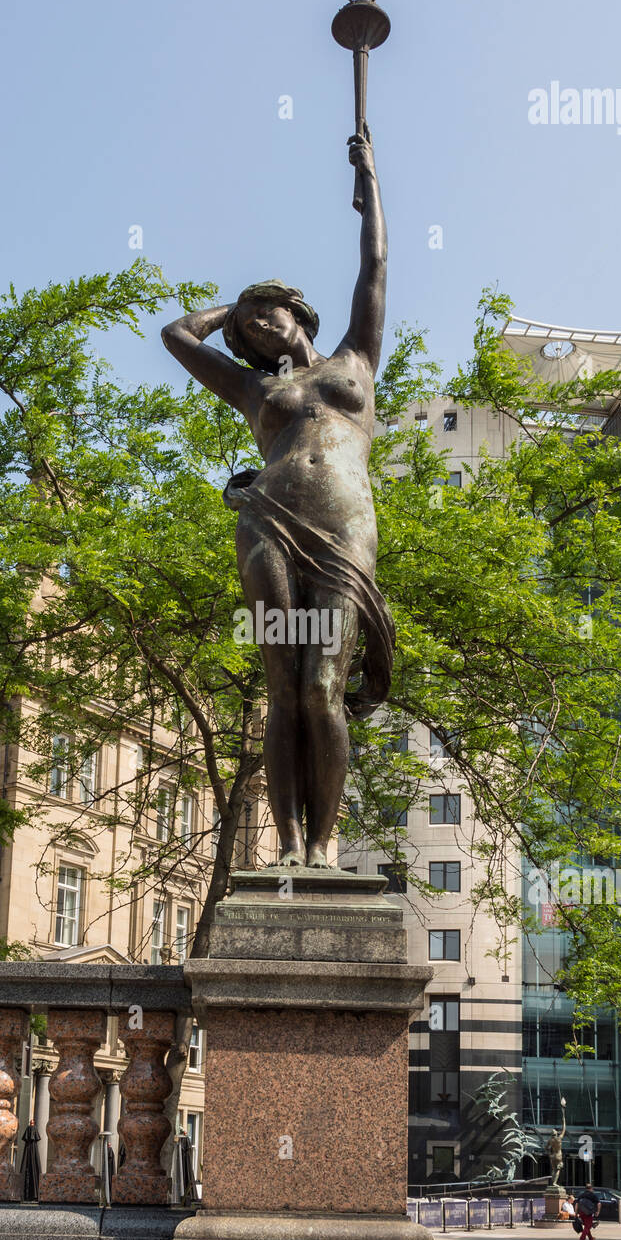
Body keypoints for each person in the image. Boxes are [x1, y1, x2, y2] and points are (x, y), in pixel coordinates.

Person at [161, 131, 394, 870]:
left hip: (344, 527)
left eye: (269, 313)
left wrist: (368, 181)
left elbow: (376, 264)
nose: (258, 327)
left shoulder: (356, 356)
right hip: (268, 524)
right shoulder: (253, 386)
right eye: (248, 327)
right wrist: (231, 310)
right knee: (282, 686)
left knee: (323, 685)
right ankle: (288, 847)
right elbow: (175, 333)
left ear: (299, 313)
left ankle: (324, 848)